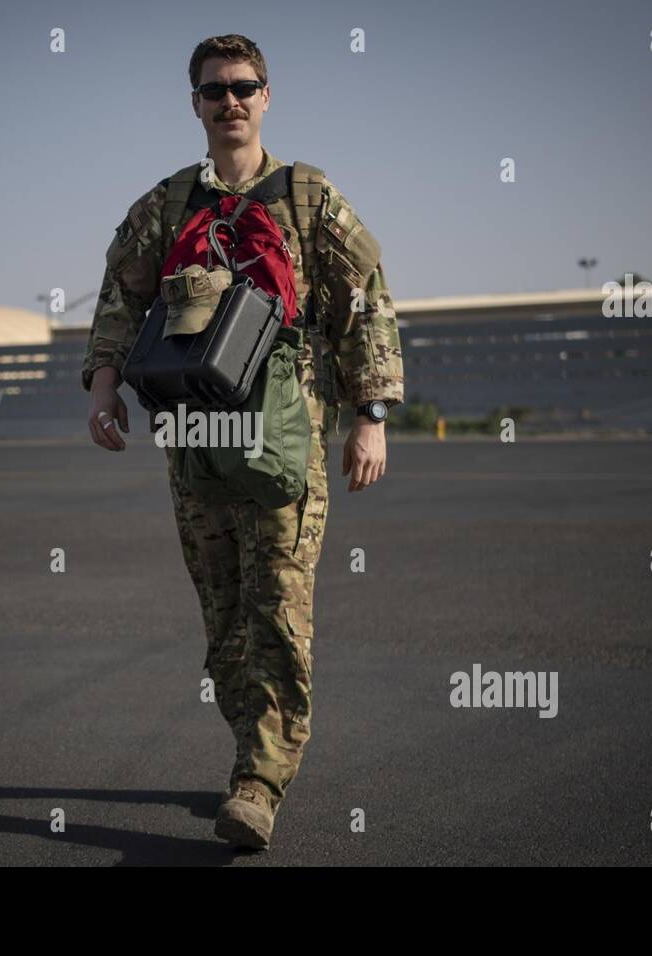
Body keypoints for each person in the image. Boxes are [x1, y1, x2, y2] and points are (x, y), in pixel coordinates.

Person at [81, 34, 404, 849]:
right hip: (196, 443)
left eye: (244, 87)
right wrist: (103, 385)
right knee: (224, 614)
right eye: (214, 90)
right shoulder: (167, 205)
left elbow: (364, 300)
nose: (230, 101)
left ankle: (260, 779)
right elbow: (121, 296)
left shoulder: (307, 197)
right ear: (195, 103)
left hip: (286, 448)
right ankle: (248, 747)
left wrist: (371, 415)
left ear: (267, 97)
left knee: (280, 612)